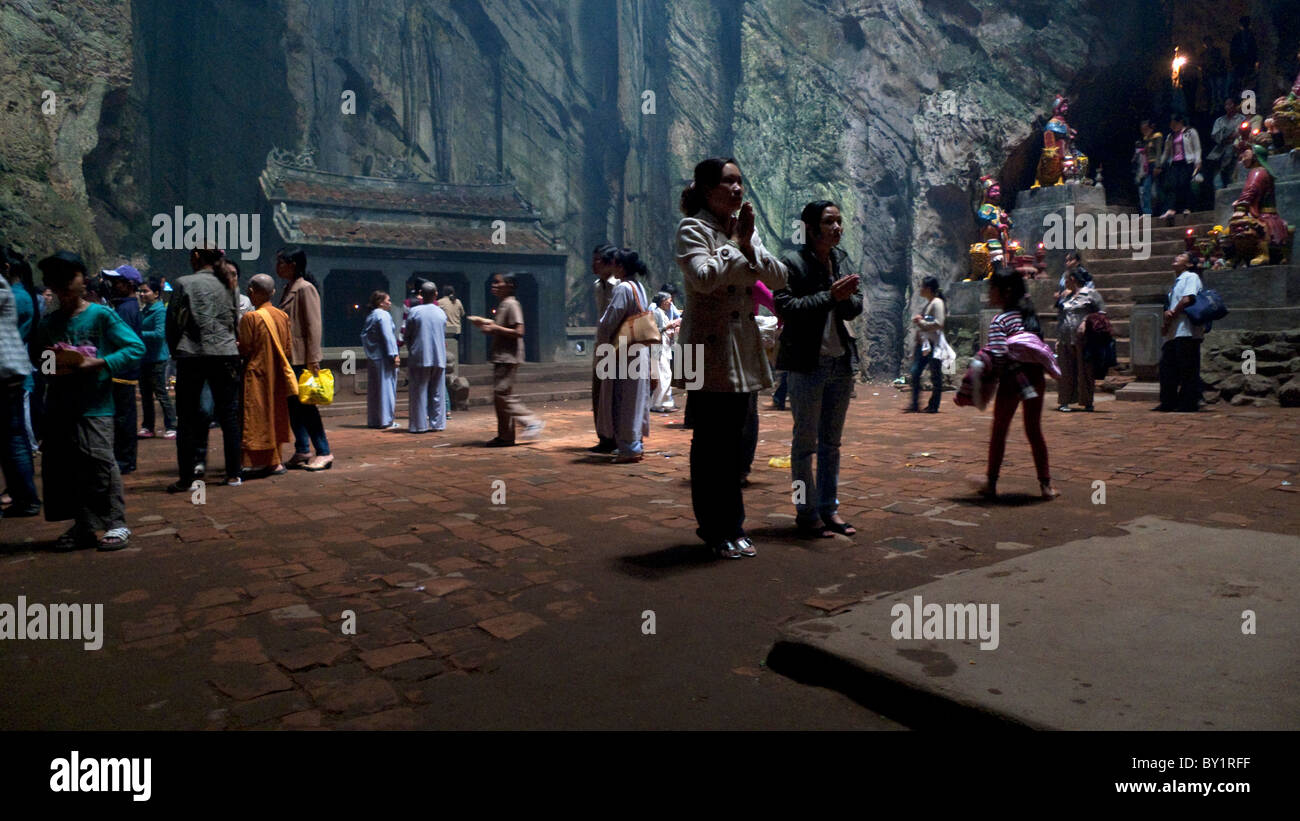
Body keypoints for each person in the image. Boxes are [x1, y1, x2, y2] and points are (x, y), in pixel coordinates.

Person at [675, 157, 787, 559]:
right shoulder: (692, 229)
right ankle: (713, 527)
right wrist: (738, 249)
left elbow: (779, 277)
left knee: (736, 442)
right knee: (711, 444)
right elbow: (703, 279)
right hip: (708, 351)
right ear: (708, 190)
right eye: (728, 182)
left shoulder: (745, 232)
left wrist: (745, 246)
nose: (738, 189)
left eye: (740, 182)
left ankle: (733, 525)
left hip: (740, 349)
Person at [34, 251, 144, 550]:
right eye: (58, 281)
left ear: (83, 280)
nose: (65, 287)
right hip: (60, 405)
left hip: (96, 405)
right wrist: (56, 361)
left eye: (71, 278)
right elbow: (41, 364)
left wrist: (99, 364)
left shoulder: (101, 315)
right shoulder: (49, 323)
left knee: (100, 463)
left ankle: (116, 523)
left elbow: (135, 348)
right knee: (69, 467)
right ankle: (83, 526)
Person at [774, 200, 862, 538]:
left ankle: (829, 508)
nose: (837, 228)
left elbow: (856, 306)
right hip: (805, 365)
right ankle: (803, 510)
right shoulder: (792, 264)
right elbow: (788, 308)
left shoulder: (841, 260)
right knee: (803, 445)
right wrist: (830, 295)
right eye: (829, 222)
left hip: (840, 362)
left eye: (839, 222)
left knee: (831, 445)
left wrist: (843, 297)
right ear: (810, 228)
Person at [166, 249, 243, 491]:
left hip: (193, 354)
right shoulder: (229, 283)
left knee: (187, 418)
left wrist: (175, 350)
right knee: (229, 416)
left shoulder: (184, 283)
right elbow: (235, 321)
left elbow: (173, 322)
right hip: (226, 354)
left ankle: (187, 478)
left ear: (197, 256)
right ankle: (234, 474)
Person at [979, 267, 1057, 500]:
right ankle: (1046, 486)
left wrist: (987, 376)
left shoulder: (1000, 320)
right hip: (1034, 376)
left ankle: (991, 484)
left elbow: (999, 354)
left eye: (992, 288)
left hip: (1013, 378)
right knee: (1034, 430)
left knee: (999, 430)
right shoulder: (1029, 318)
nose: (989, 293)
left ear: (1006, 292)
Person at [276, 246, 332, 470]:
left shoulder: (305, 289)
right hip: (289, 356)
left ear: (293, 265)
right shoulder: (288, 288)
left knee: (307, 406)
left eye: (281, 262)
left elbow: (313, 325)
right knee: (293, 406)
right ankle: (302, 449)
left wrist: (314, 358)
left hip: (301, 357)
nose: (278, 267)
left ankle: (324, 451)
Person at [595, 249, 653, 462]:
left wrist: (602, 341)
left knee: (623, 398)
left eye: (615, 264)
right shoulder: (639, 287)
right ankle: (634, 443)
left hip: (625, 352)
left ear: (620, 267)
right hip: (639, 349)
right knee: (636, 398)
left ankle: (629, 447)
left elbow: (609, 321)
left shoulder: (622, 289)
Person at [237, 274, 296, 476]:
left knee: (256, 418)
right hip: (277, 376)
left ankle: (256, 462)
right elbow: (288, 349)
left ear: (252, 292)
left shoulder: (251, 317)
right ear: (273, 292)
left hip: (257, 374)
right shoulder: (283, 316)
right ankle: (275, 461)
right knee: (275, 416)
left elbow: (244, 349)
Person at [474, 273, 542, 446]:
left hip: (508, 357)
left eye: (498, 282)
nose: (494, 285)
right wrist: (491, 328)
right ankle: (505, 435)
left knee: (502, 394)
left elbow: (519, 331)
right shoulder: (504, 304)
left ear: (510, 285)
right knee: (500, 396)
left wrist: (495, 327)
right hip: (501, 355)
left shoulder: (512, 304)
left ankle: (530, 421)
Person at [0, 267, 40, 519]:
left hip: (7, 368)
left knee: (13, 437)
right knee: (12, 437)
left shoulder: (12, 292)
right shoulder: (15, 292)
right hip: (13, 366)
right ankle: (24, 497)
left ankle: (25, 497)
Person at [101, 265, 143, 474]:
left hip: (122, 372)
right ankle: (125, 459)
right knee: (124, 416)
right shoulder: (127, 306)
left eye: (117, 282)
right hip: (124, 371)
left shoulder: (125, 309)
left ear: (129, 285)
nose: (113, 285)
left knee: (123, 417)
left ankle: (125, 460)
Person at [1155, 252, 1205, 413]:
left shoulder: (1191, 277)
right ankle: (1168, 401)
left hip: (1187, 330)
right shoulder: (1176, 282)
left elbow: (1187, 299)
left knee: (1187, 368)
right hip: (1174, 331)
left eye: (1182, 256)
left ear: (1189, 264)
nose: (1176, 257)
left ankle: (1188, 403)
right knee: (1167, 367)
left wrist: (1173, 313)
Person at [1055, 267, 1103, 412]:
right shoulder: (1066, 296)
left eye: (1066, 279)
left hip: (1083, 340)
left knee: (1085, 370)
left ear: (1073, 279)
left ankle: (1087, 401)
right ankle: (1065, 401)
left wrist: (1086, 320)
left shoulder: (1090, 294)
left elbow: (1101, 312)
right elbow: (1061, 316)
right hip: (1065, 338)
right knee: (1065, 371)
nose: (1065, 282)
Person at [135, 277, 176, 439]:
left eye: (146, 291)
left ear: (156, 293)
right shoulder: (145, 310)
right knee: (145, 395)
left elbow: (160, 334)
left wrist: (139, 334)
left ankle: (171, 425)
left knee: (161, 393)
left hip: (157, 358)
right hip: (145, 358)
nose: (142, 294)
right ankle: (147, 426)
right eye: (141, 291)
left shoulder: (160, 311)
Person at [405, 282, 448, 434]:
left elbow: (407, 334)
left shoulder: (414, 311)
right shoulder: (441, 313)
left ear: (421, 294)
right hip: (438, 356)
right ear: (436, 294)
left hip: (420, 355)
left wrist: (411, 348)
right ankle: (438, 423)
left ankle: (419, 425)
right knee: (437, 391)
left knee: (419, 391)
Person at [589, 245, 620, 453]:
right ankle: (603, 438)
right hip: (601, 346)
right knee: (598, 393)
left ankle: (617, 437)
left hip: (617, 348)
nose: (594, 264)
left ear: (610, 263)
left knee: (615, 395)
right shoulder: (597, 286)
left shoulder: (619, 286)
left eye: (599, 260)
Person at [906, 275, 946, 414]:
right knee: (915, 372)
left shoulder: (937, 303)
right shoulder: (930, 303)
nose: (920, 289)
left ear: (928, 288)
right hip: (925, 345)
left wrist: (921, 322)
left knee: (935, 376)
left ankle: (934, 405)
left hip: (933, 345)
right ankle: (915, 403)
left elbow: (939, 323)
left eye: (922, 286)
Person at [361, 290, 399, 429]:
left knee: (375, 390)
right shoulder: (383, 315)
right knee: (386, 389)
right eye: (388, 300)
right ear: (381, 302)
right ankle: (386, 420)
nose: (390, 302)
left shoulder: (372, 315)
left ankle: (374, 419)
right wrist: (394, 354)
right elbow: (388, 336)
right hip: (384, 356)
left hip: (374, 356)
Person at [1157, 113, 1201, 219]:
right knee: (1172, 186)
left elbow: (1197, 147)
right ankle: (1171, 209)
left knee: (1184, 185)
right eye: (1171, 125)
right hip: (1175, 163)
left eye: (1174, 124)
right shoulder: (1170, 136)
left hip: (1187, 162)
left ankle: (1187, 208)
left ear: (1180, 122)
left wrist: (1198, 161)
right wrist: (1159, 165)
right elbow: (1166, 152)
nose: (1172, 126)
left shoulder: (1190, 132)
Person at [649, 291, 680, 412]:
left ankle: (663, 402)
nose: (670, 303)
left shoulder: (663, 314)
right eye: (669, 300)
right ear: (663, 301)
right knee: (663, 375)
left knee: (665, 375)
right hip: (658, 348)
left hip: (664, 348)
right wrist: (669, 326)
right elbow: (655, 331)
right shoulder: (657, 313)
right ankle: (659, 404)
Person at [1209, 97, 1246, 190]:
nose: (1228, 107)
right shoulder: (1220, 121)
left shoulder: (1241, 118)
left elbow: (1242, 133)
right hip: (1220, 152)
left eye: (1230, 104)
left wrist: (1235, 136)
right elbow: (1215, 135)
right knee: (1218, 181)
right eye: (1226, 105)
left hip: (1236, 151)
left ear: (1235, 105)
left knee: (1233, 177)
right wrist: (1229, 136)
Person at [1133, 119, 1164, 216]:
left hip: (1155, 164)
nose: (1144, 131)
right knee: (1146, 189)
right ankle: (1147, 212)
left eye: (1146, 129)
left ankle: (1163, 210)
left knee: (1158, 190)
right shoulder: (1145, 139)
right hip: (1148, 166)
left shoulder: (1157, 136)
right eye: (1142, 129)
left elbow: (1159, 152)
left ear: (1151, 127)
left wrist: (1158, 166)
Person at [1229, 16, 1257, 95]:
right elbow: (1233, 50)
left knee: (1249, 82)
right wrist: (1234, 62)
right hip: (1240, 62)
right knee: (1240, 82)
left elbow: (1254, 49)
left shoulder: (1252, 36)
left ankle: (1247, 100)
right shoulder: (1237, 36)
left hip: (1248, 62)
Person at [437, 285, 464, 366]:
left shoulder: (440, 302)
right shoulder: (458, 301)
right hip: (457, 330)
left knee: (446, 351)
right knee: (455, 349)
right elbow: (462, 314)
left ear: (443, 292)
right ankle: (456, 365)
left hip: (446, 330)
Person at [1202, 36, 1229, 113]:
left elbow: (1220, 62)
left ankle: (1219, 107)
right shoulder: (1205, 54)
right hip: (1210, 75)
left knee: (1218, 91)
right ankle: (1214, 107)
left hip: (1217, 74)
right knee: (1212, 92)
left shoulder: (1216, 52)